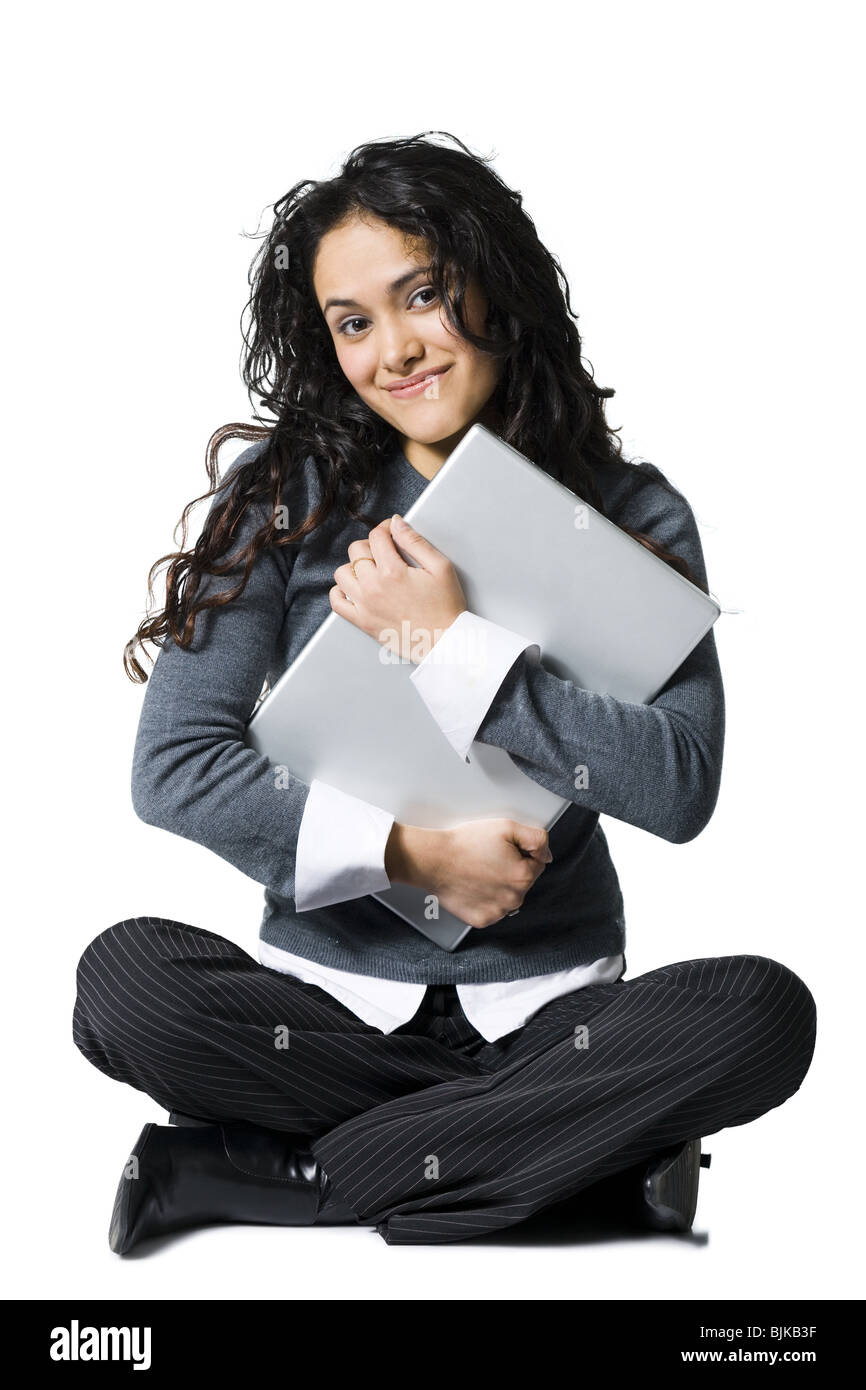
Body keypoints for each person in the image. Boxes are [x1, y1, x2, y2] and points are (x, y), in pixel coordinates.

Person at [72, 131, 816, 1253]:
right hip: (322, 1014)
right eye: (353, 320)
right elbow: (175, 768)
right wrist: (412, 857)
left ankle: (285, 1175)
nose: (394, 350)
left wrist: (450, 644)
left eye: (423, 295)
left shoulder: (634, 514)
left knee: (760, 1014)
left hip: (551, 1023)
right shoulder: (283, 494)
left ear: (493, 288)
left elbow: (678, 787)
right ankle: (578, 1173)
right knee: (124, 979)